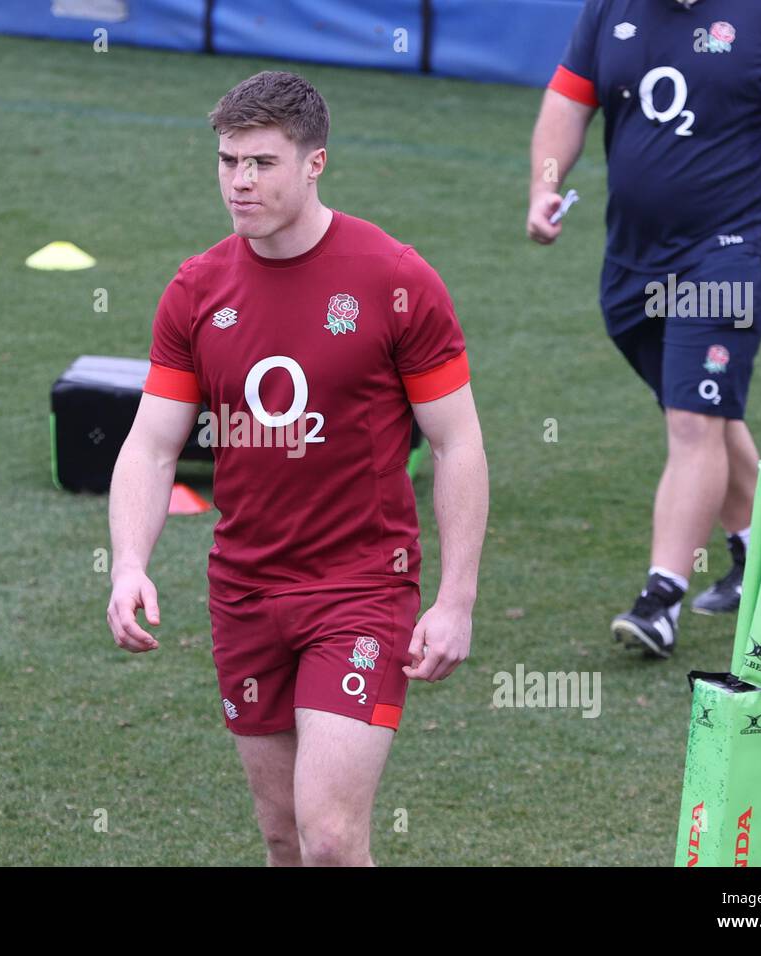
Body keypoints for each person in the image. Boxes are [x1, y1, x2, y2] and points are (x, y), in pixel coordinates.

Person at [106, 71, 488, 865]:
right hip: (244, 593)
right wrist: (129, 563)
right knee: (283, 838)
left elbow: (457, 444)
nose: (240, 182)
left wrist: (455, 600)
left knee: (331, 837)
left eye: (262, 163)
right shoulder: (196, 291)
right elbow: (150, 445)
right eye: (228, 161)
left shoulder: (395, 280)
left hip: (360, 590)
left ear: (316, 163)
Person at [527, 0, 761, 658]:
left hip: (735, 249)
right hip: (633, 257)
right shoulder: (610, 9)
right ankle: (759, 551)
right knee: (701, 405)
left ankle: (661, 599)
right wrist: (544, 184)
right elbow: (568, 99)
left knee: (691, 419)